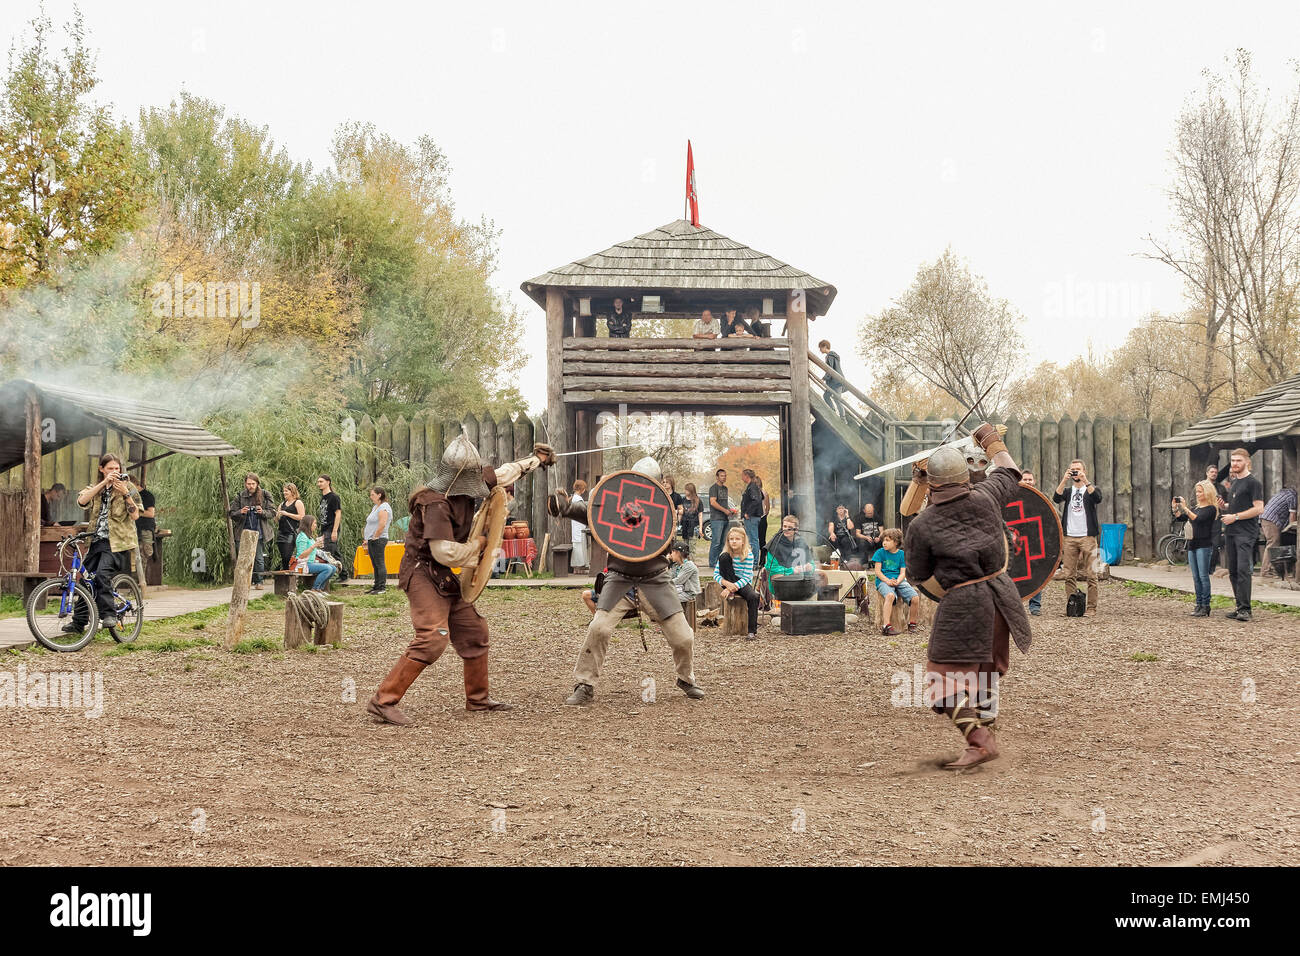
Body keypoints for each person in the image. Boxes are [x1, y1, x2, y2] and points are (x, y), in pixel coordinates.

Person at [366, 434, 555, 725]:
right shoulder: (434, 504)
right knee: (432, 638)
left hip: (442, 575)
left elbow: (507, 471)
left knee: (474, 631)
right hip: (421, 571)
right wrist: (479, 546)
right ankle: (383, 701)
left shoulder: (472, 481)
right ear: (455, 475)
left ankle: (477, 700)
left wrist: (536, 460)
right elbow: (445, 553)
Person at [904, 424, 1032, 770]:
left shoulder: (923, 525)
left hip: (963, 603)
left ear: (932, 484)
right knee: (985, 671)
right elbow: (1008, 469)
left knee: (940, 682)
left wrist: (918, 482)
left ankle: (980, 741)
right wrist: (989, 438)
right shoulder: (988, 495)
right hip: (1002, 597)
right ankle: (987, 730)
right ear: (967, 476)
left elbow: (918, 574)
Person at [561, 456, 705, 706]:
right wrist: (565, 507)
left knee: (684, 637)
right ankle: (584, 684)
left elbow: (661, 538)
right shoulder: (618, 503)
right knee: (599, 628)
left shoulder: (664, 509)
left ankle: (686, 678)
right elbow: (595, 513)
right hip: (620, 578)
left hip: (655, 579)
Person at [70, 455, 142, 632]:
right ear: (102, 469)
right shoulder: (96, 488)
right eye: (110, 469)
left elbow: (135, 515)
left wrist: (125, 493)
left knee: (102, 575)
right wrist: (103, 484)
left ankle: (109, 615)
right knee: (85, 580)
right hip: (96, 541)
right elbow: (82, 501)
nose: (115, 472)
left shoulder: (128, 487)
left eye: (117, 469)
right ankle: (79, 623)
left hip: (117, 542)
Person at [1218, 448, 1265, 622]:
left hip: (1245, 533)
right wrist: (1225, 507)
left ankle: (1246, 610)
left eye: (1238, 460)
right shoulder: (1235, 482)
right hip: (1230, 531)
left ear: (1247, 462)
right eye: (1233, 460)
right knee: (1233, 572)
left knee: (1243, 570)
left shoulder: (1253, 483)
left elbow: (1259, 508)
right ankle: (1239, 607)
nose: (1235, 463)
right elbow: (1238, 504)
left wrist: (1235, 517)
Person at [1053, 458, 1102, 618]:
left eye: (1077, 469)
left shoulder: (1089, 490)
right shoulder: (1068, 491)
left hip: (1088, 537)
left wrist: (1085, 480)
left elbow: (1098, 498)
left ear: (1084, 471)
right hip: (1070, 538)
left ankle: (1091, 608)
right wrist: (1064, 479)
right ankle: (1072, 606)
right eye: (1072, 469)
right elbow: (1056, 498)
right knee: (1069, 574)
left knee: (1091, 574)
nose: (1075, 472)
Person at [1173, 481, 1219, 616]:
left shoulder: (1211, 509)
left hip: (1204, 545)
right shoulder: (1196, 508)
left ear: (1208, 492)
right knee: (1195, 577)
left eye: (1200, 491)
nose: (1198, 494)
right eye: (1197, 492)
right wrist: (1176, 508)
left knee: (1203, 576)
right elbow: (1181, 518)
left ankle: (1206, 605)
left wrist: (1185, 508)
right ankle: (1198, 604)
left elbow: (1197, 520)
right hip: (1192, 545)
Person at [228, 472, 275, 590]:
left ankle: (259, 581)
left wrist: (262, 512)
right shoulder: (240, 496)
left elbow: (272, 512)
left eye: (253, 483)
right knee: (243, 558)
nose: (251, 486)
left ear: (257, 483)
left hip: (258, 531)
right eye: (248, 484)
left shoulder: (265, 494)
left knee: (258, 558)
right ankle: (244, 582)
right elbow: (231, 514)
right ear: (245, 484)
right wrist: (241, 512)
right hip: (242, 532)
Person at [714, 525, 761, 640]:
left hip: (742, 583)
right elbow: (716, 575)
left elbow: (746, 577)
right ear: (728, 541)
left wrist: (731, 588)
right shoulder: (724, 554)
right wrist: (727, 584)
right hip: (727, 581)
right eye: (731, 539)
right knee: (724, 557)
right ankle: (731, 591)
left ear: (743, 541)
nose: (734, 541)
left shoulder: (748, 555)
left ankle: (752, 631)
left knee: (754, 596)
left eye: (737, 539)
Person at [871, 528, 919, 636]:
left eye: (887, 540)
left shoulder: (901, 554)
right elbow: (878, 572)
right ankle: (886, 626)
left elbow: (903, 572)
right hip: (883, 580)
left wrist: (897, 581)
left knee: (915, 598)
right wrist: (888, 581)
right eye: (883, 540)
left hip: (899, 580)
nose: (884, 543)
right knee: (890, 595)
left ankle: (912, 623)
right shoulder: (880, 553)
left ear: (896, 542)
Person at [1019, 471, 1043, 616]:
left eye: (1030, 479)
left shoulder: (1040, 499)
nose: (1028, 482)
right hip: (1015, 540)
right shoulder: (1012, 497)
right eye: (1025, 479)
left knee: (1036, 574)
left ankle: (1035, 606)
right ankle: (1015, 606)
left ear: (1034, 481)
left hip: (1034, 540)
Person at [1260, 486, 1297, 580]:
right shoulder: (1293, 496)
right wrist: (1293, 527)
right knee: (1273, 543)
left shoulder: (1283, 493)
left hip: (1265, 517)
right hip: (1272, 520)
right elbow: (1292, 516)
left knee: (1274, 543)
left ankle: (1273, 570)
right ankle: (1266, 571)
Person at [292, 515, 338, 591]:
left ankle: (320, 589)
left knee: (333, 568)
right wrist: (314, 546)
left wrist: (318, 545)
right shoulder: (302, 536)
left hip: (311, 562)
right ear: (309, 524)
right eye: (315, 523)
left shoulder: (308, 536)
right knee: (328, 569)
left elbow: (311, 548)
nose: (316, 526)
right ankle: (315, 589)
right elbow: (301, 555)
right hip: (304, 564)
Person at [362, 486, 393, 594]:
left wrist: (375, 536)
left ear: (379, 495)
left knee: (379, 562)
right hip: (371, 539)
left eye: (373, 495)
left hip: (379, 539)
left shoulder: (384, 507)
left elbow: (382, 523)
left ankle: (381, 588)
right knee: (375, 563)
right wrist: (367, 538)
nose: (371, 497)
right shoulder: (375, 507)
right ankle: (376, 586)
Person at [316, 474, 346, 584]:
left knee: (327, 552)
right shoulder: (323, 498)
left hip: (331, 528)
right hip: (324, 528)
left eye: (321, 481)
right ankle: (344, 575)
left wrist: (334, 531)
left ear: (328, 482)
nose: (319, 484)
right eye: (318, 482)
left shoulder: (333, 497)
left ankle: (326, 578)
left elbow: (338, 514)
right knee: (335, 553)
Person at [707, 468, 738, 568]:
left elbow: (724, 503)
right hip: (716, 519)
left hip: (725, 519)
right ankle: (712, 563)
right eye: (722, 476)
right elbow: (713, 502)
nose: (724, 477)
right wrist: (725, 511)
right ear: (717, 477)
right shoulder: (713, 488)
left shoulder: (725, 489)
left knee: (723, 542)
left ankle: (720, 562)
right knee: (716, 542)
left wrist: (730, 510)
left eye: (725, 476)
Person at [275, 483, 305, 570]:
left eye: (286, 491)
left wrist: (287, 514)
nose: (284, 493)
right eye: (283, 491)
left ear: (292, 491)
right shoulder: (282, 504)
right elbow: (277, 520)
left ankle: (289, 574)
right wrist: (277, 515)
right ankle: (285, 574)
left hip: (291, 532)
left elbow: (302, 517)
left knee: (287, 555)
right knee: (283, 557)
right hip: (281, 532)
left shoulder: (298, 502)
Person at [667, 540, 701, 606]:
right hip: (679, 590)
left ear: (678, 553)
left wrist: (664, 583)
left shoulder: (689, 565)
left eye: (672, 552)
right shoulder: (676, 565)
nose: (670, 555)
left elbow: (678, 580)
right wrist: (668, 562)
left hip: (688, 594)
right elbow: (669, 577)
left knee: (666, 598)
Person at [740, 469, 764, 559]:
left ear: (747, 476)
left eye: (742, 475)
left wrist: (748, 513)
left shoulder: (752, 487)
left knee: (753, 540)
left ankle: (754, 562)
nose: (741, 477)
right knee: (752, 539)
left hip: (752, 517)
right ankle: (753, 560)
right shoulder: (753, 486)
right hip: (753, 517)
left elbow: (756, 500)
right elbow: (761, 496)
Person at [818, 339, 847, 416]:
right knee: (827, 396)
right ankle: (833, 411)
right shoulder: (832, 356)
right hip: (833, 382)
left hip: (836, 382)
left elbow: (830, 370)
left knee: (837, 399)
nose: (820, 350)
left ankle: (842, 418)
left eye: (820, 348)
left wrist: (824, 378)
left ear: (825, 346)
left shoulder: (830, 356)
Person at [569, 478, 589, 572]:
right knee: (578, 545)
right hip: (578, 525)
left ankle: (579, 567)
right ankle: (578, 567)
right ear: (582, 489)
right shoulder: (577, 499)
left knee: (579, 544)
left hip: (578, 524)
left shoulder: (575, 498)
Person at [680, 482, 702, 556]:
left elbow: (700, 515)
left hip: (694, 526)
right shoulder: (683, 500)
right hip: (685, 525)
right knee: (685, 548)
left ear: (691, 491)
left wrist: (701, 528)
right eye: (685, 490)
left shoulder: (698, 501)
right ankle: (686, 563)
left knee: (692, 548)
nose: (685, 491)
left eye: (687, 490)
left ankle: (692, 563)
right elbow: (680, 512)